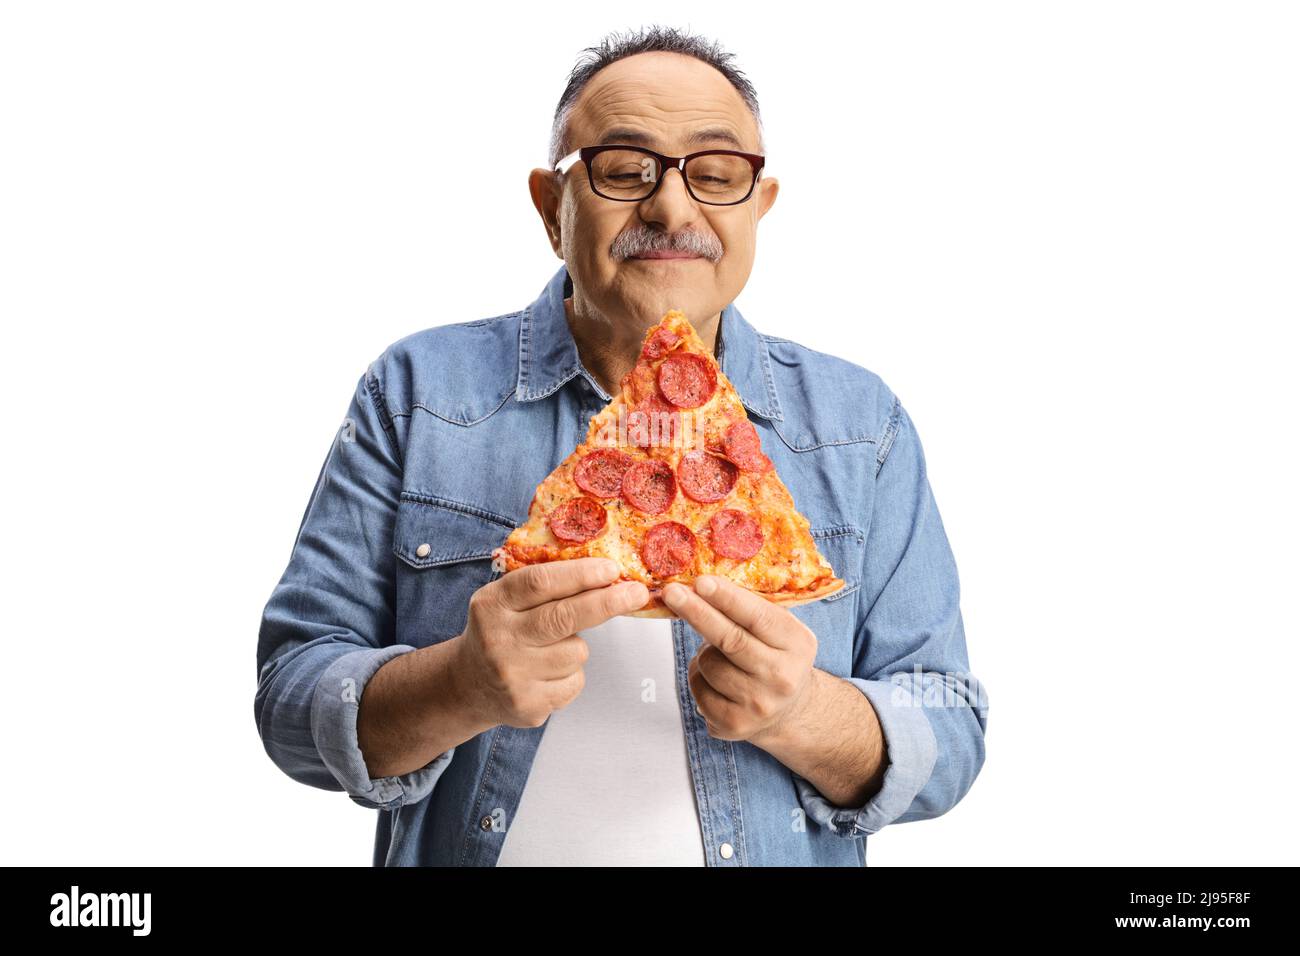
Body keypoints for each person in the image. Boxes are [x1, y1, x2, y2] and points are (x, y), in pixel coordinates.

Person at [255, 25, 988, 867]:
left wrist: (803, 713)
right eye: (623, 168)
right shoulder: (419, 391)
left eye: (715, 175)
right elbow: (291, 698)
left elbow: (951, 726)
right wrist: (458, 685)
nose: (673, 208)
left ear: (759, 205)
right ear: (549, 207)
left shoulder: (862, 424)